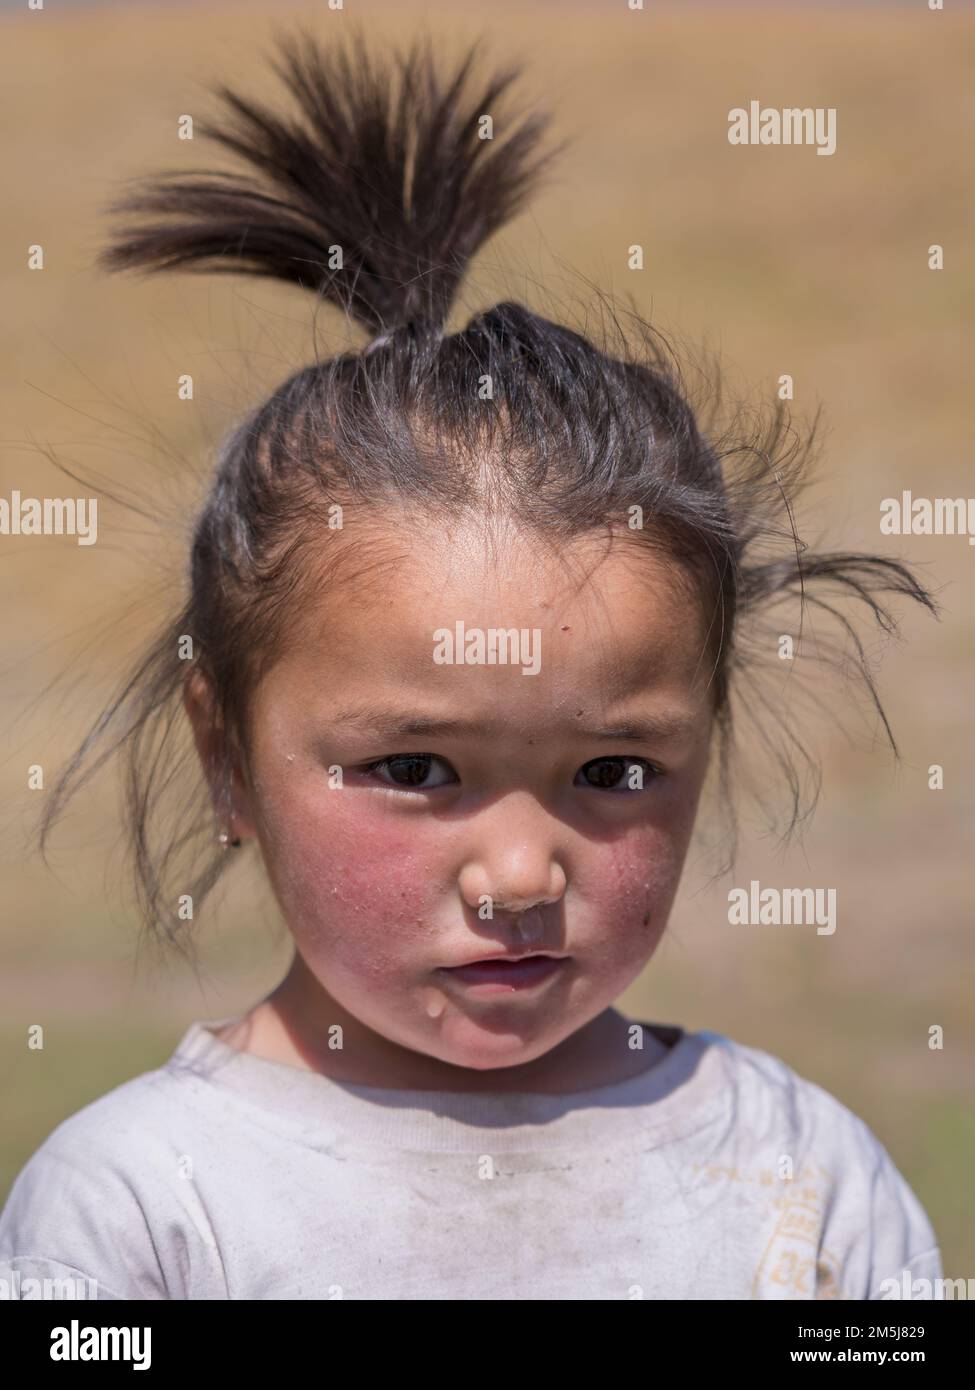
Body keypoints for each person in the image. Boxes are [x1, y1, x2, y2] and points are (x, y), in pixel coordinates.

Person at [0, 24, 943, 1300]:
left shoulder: (801, 1172)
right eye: (415, 764)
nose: (519, 872)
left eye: (614, 767)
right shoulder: (140, 1207)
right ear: (226, 754)